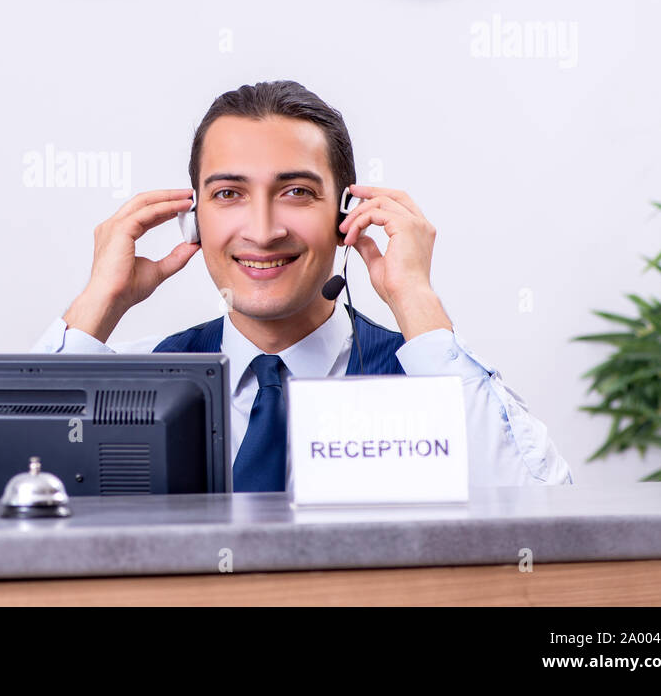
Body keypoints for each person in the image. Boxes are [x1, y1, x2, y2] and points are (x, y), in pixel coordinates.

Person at [31, 80, 572, 491]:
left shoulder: (426, 379)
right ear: (192, 221)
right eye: (228, 195)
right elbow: (6, 501)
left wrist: (416, 301)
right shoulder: (137, 383)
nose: (264, 231)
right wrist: (97, 304)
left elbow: (544, 513)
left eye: (295, 191)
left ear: (346, 216)